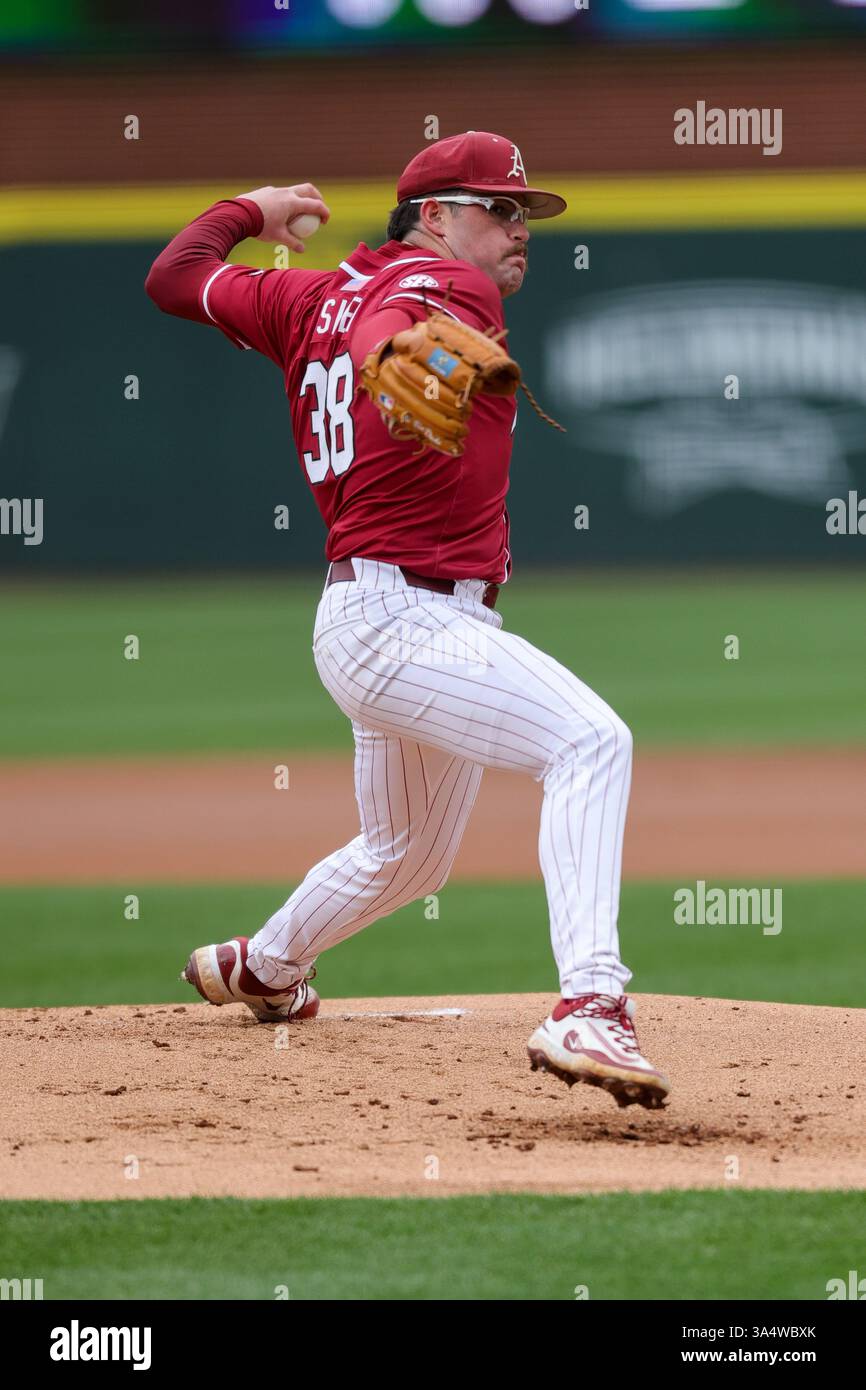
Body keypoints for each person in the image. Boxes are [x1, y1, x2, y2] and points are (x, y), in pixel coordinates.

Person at [145, 131, 670, 1109]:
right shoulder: (444, 286)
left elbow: (176, 279)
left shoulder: (300, 294)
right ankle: (590, 1003)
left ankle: (264, 964)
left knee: (407, 853)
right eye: (499, 209)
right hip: (404, 622)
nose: (520, 229)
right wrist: (394, 339)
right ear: (433, 215)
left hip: (374, 618)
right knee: (590, 740)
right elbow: (399, 320)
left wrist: (250, 211)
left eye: (526, 213)